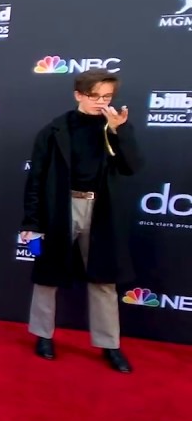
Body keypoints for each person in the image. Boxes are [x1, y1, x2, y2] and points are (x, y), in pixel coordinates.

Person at [21, 69, 141, 374]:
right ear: (78, 95)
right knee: (48, 275)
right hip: (60, 208)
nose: (101, 102)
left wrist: (118, 131)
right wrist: (32, 223)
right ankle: (43, 336)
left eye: (107, 97)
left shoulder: (113, 126)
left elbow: (132, 167)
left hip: (101, 209)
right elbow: (35, 180)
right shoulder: (53, 131)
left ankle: (109, 344)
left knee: (104, 278)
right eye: (94, 96)